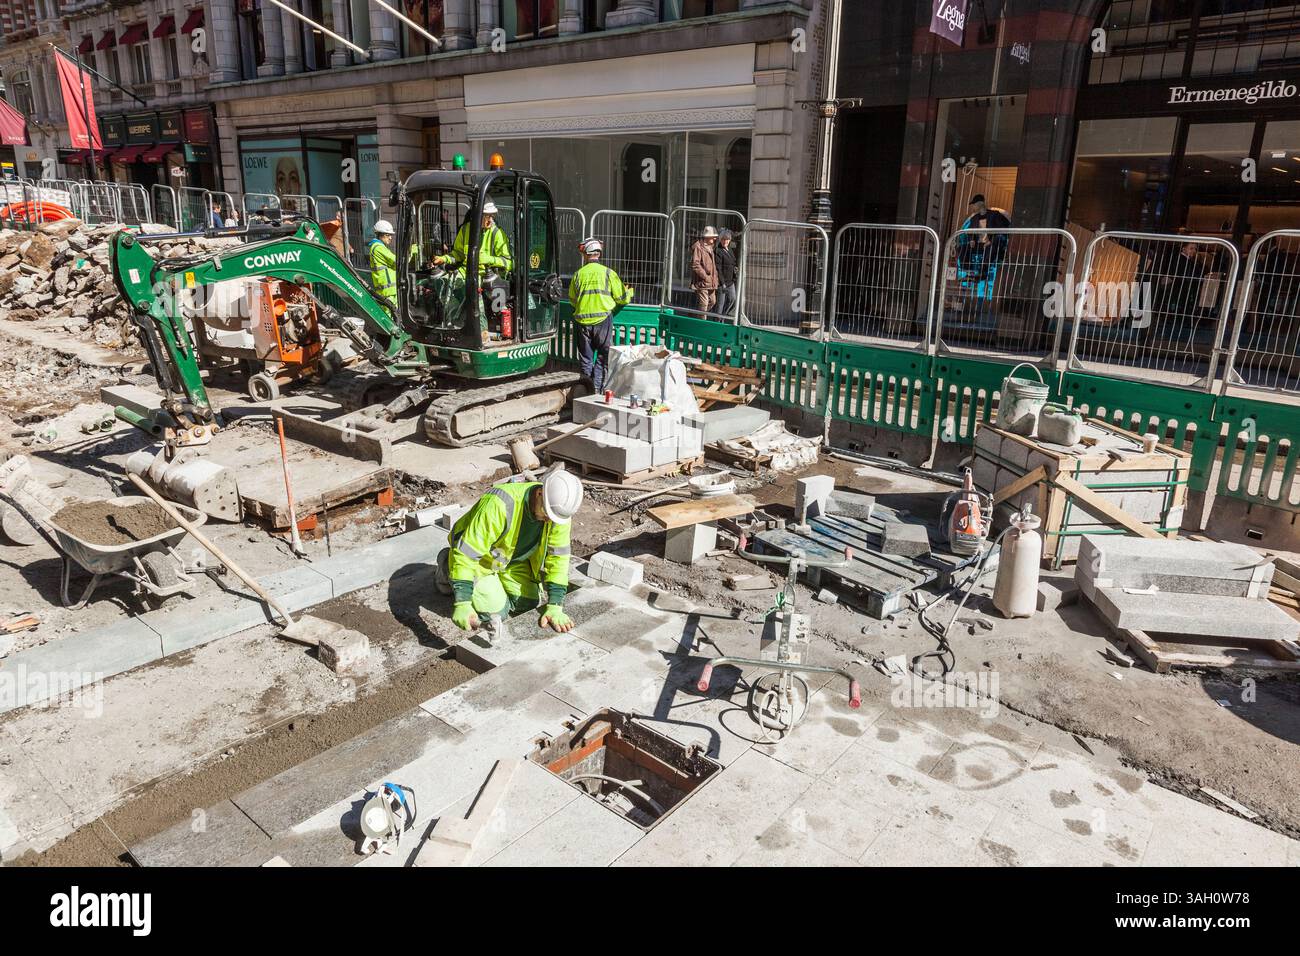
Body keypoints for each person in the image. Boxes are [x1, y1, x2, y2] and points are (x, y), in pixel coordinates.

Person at [436, 469, 584, 635]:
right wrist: (462, 602)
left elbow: (559, 558)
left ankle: (496, 584)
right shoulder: (499, 504)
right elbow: (466, 554)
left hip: (509, 559)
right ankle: (445, 567)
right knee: (497, 613)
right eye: (547, 514)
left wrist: (555, 606)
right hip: (481, 560)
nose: (550, 520)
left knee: (528, 603)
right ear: (540, 493)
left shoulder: (558, 512)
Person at [568, 237, 634, 392]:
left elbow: (572, 300)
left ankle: (586, 389)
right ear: (598, 253)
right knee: (603, 356)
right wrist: (629, 292)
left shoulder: (578, 275)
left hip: (582, 321)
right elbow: (622, 298)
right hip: (602, 320)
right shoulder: (608, 273)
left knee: (586, 357)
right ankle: (597, 389)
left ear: (586, 254)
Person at [434, 200, 512, 276]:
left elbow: (509, 263)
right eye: (487, 216)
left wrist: (489, 259)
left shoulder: (497, 233)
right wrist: (443, 259)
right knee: (443, 283)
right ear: (477, 215)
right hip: (465, 273)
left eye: (492, 215)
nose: (491, 220)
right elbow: (458, 254)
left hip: (487, 276)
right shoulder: (465, 229)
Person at [690, 225, 720, 313]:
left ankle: (696, 316)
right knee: (704, 304)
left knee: (713, 301)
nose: (714, 239)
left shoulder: (710, 247)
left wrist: (715, 278)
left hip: (711, 282)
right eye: (713, 237)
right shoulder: (698, 247)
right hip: (702, 282)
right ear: (707, 237)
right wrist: (705, 276)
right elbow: (695, 264)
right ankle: (701, 322)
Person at [369, 219, 397, 306]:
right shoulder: (378, 248)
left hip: (388, 290)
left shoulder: (379, 247)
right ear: (380, 235)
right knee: (389, 315)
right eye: (388, 235)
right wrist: (411, 252)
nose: (390, 238)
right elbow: (397, 262)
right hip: (387, 291)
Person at [714, 228, 738, 317]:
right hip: (722, 282)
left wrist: (735, 270)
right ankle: (718, 322)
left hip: (730, 281)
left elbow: (733, 262)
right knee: (720, 305)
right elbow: (718, 268)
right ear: (720, 240)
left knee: (733, 299)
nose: (725, 241)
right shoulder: (718, 251)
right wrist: (722, 283)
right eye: (723, 239)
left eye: (727, 239)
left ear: (730, 240)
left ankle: (723, 317)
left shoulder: (729, 249)